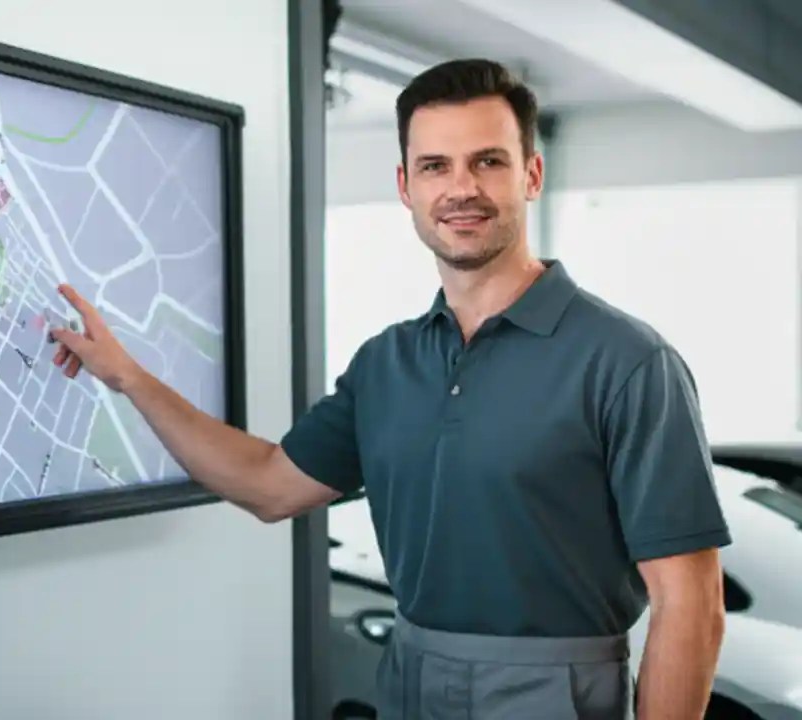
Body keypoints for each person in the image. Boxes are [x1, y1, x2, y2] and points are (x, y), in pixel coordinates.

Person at [48, 58, 729, 720]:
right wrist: (129, 378)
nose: (461, 188)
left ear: (532, 174)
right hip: (409, 684)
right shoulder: (386, 364)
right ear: (406, 186)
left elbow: (691, 605)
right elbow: (268, 484)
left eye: (488, 161)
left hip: (558, 694)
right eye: (435, 166)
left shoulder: (627, 361)